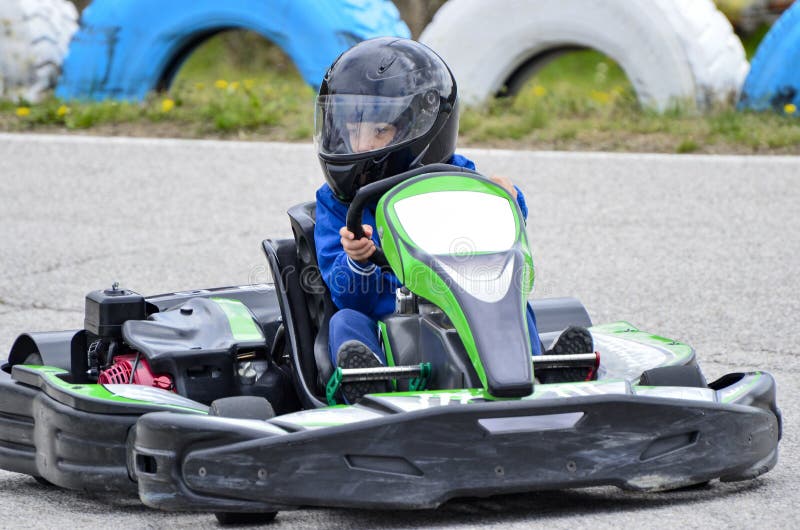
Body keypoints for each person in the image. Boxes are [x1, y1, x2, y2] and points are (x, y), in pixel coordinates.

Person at [313, 37, 591, 402]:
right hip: (384, 315)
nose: (362, 145)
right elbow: (347, 295)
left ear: (420, 127)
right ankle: (368, 385)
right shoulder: (336, 203)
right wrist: (358, 260)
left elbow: (496, 237)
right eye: (352, 131)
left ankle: (539, 371)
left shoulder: (457, 177)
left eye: (379, 130)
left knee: (511, 301)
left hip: (458, 300)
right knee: (344, 321)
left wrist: (509, 198)